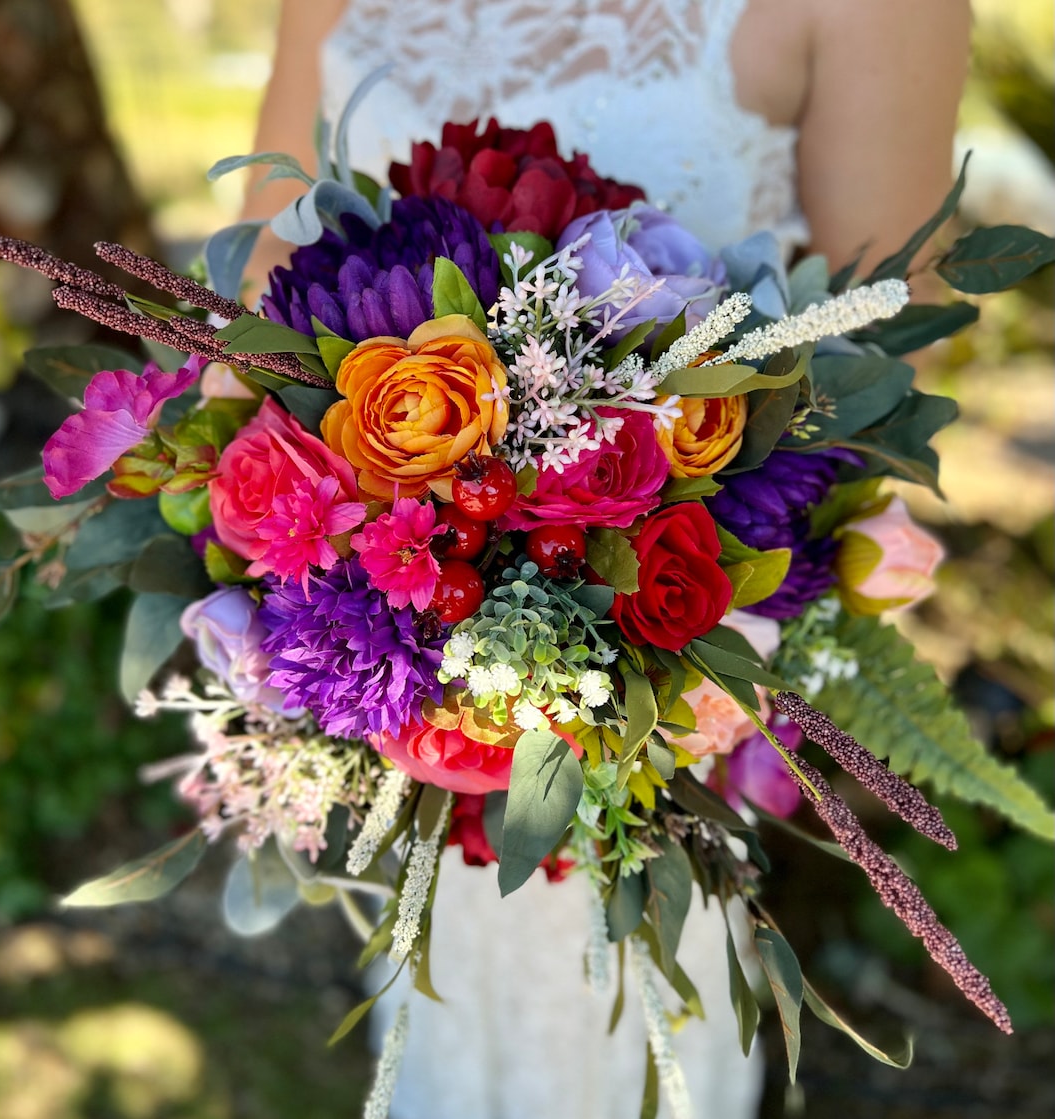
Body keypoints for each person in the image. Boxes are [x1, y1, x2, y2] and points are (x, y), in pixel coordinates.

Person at [240, 2, 971, 1116]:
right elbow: (259, 280)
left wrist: (623, 590)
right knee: (446, 1012)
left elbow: (886, 350)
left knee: (631, 1033)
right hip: (399, 656)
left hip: (664, 682)